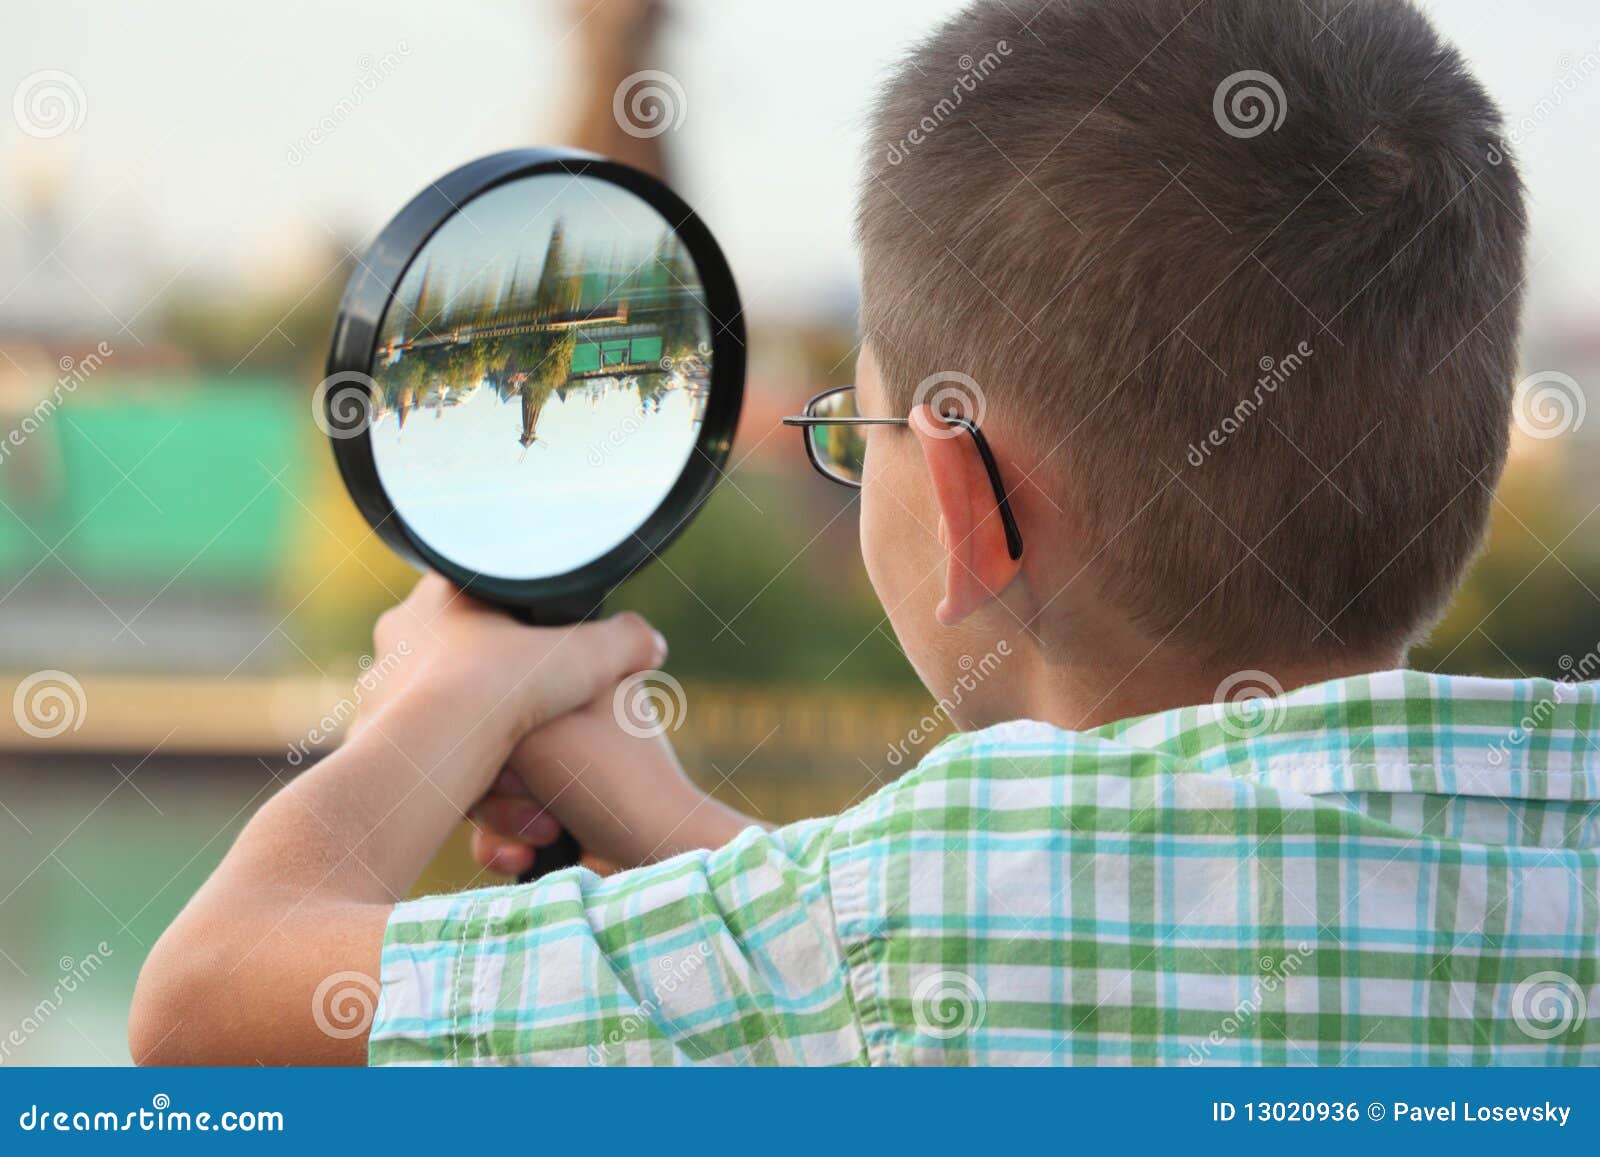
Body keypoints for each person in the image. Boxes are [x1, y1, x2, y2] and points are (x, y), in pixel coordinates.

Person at [130, 0, 1599, 1066]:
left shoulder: (892, 928)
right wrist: (645, 804)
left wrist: (450, 699)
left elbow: (207, 1005)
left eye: (862, 426)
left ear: (972, 506)